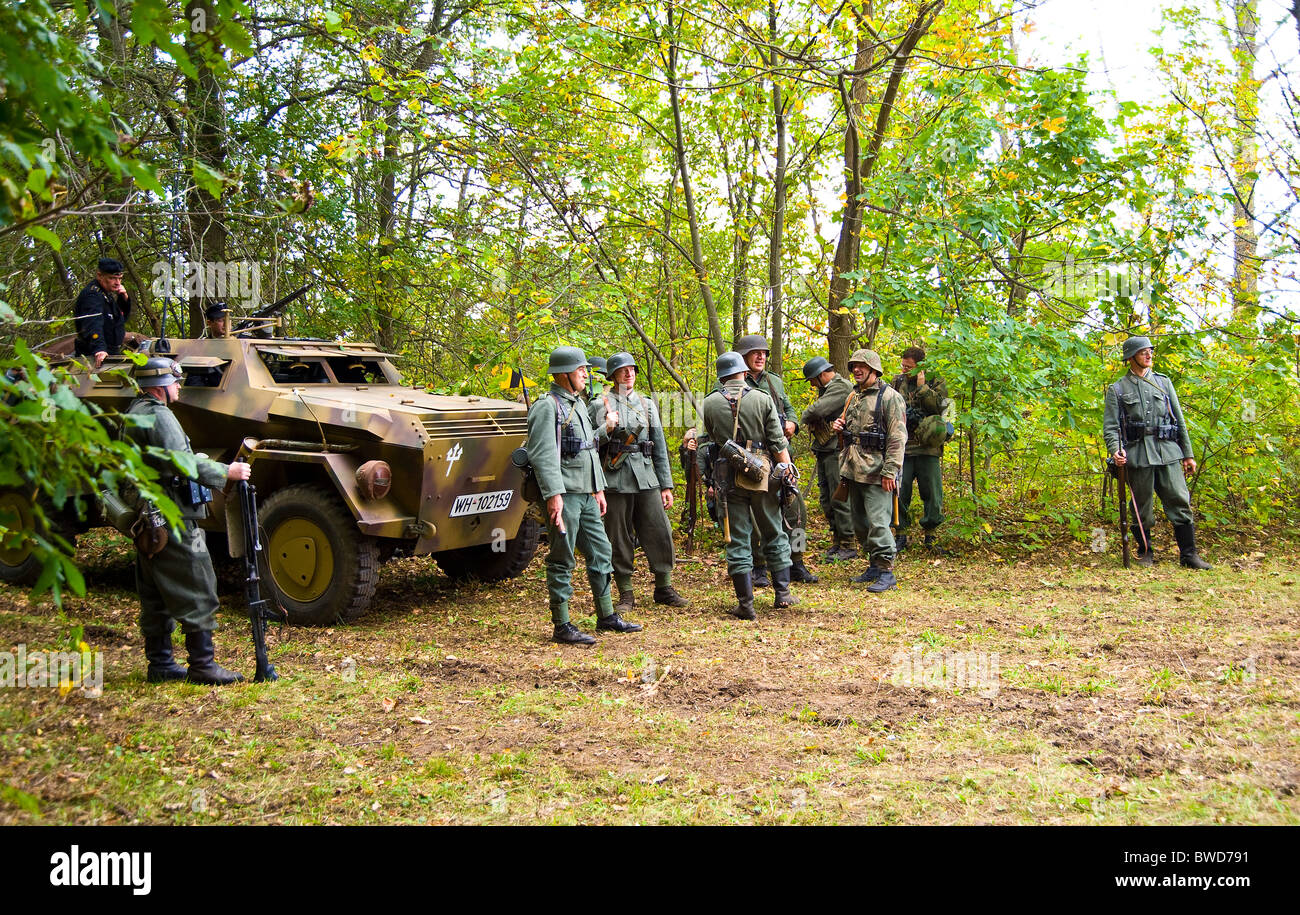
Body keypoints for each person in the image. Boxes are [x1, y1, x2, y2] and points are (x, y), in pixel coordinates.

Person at [124, 357, 251, 684]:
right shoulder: (159, 415)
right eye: (174, 381)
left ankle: (161, 663)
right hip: (171, 514)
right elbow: (179, 462)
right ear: (159, 386)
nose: (179, 386)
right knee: (198, 582)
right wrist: (227, 472)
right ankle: (202, 665)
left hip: (147, 515)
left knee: (155, 588)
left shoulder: (135, 412)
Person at [525, 345, 643, 644]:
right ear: (564, 374)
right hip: (564, 494)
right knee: (562, 557)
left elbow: (586, 447)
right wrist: (553, 495)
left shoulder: (576, 404)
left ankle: (605, 615)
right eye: (580, 370)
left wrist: (598, 488)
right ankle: (562, 624)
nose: (586, 374)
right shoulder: (547, 406)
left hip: (587, 493)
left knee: (602, 551)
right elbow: (543, 454)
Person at [702, 350, 797, 619]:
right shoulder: (762, 399)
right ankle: (783, 594)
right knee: (773, 530)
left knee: (737, 537)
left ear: (721, 377)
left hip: (727, 476)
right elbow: (778, 442)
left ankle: (746, 604)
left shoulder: (709, 403)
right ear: (744, 373)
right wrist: (787, 470)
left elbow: (712, 439)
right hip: (763, 475)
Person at [590, 352, 688, 611]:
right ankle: (626, 593)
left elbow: (659, 447)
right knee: (618, 536)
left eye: (632, 369)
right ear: (612, 375)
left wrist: (666, 485)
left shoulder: (646, 404)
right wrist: (606, 430)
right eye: (622, 370)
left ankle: (664, 587)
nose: (629, 373)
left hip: (646, 477)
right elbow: (588, 445)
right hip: (614, 478)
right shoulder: (600, 405)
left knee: (659, 530)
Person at [1103, 335, 1211, 569]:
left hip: (1168, 452)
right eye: (1143, 352)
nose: (1149, 355)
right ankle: (1145, 553)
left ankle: (1189, 555)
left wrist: (1188, 454)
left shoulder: (1163, 383)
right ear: (1131, 357)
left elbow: (1179, 421)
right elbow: (1111, 428)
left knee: (1179, 500)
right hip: (1138, 454)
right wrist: (1116, 450)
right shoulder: (1118, 389)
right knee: (1141, 507)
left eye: (1150, 351)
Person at [731, 334, 817, 584]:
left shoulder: (774, 382)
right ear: (743, 357)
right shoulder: (732, 381)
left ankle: (797, 561)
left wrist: (791, 422)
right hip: (751, 458)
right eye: (755, 352)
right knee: (756, 515)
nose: (761, 356)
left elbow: (787, 407)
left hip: (779, 454)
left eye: (764, 353)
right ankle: (759, 566)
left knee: (796, 509)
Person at [832, 349, 907, 592]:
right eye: (854, 365)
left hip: (878, 472)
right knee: (860, 524)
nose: (856, 369)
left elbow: (897, 437)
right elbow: (849, 432)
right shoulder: (853, 396)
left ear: (874, 369)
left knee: (878, 523)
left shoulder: (889, 397)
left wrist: (890, 471)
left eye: (862, 366)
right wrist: (839, 426)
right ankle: (874, 565)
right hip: (853, 469)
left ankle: (886, 571)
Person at [891, 345, 949, 553]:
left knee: (932, 495)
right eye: (903, 365)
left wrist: (924, 388)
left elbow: (947, 411)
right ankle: (901, 535)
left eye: (909, 367)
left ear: (920, 366)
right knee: (899, 492)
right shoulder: (897, 382)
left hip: (928, 449)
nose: (905, 369)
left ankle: (930, 536)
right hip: (903, 449)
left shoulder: (937, 381)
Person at [799, 356, 857, 561]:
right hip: (825, 449)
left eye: (813, 380)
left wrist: (804, 418)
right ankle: (837, 539)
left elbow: (817, 410)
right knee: (826, 498)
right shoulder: (827, 388)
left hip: (836, 450)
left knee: (838, 496)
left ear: (822, 375)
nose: (813, 384)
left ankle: (848, 543)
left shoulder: (841, 387)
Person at [74, 258, 132, 368]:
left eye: (119, 279)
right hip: (94, 357)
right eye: (112, 278)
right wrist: (99, 349)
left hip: (111, 354)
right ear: (100, 276)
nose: (117, 283)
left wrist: (124, 299)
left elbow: (120, 321)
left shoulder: (106, 295)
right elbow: (92, 324)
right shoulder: (92, 296)